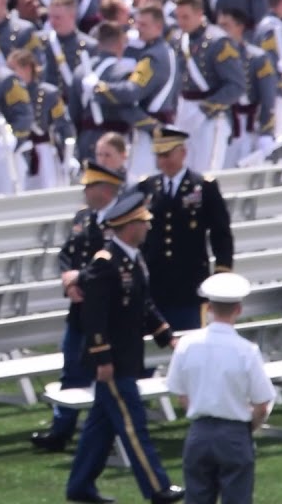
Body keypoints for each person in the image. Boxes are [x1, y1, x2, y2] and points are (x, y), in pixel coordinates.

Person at [64, 191, 183, 504]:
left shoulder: (133, 259)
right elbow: (94, 317)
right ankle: (157, 487)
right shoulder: (106, 264)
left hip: (127, 356)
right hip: (113, 361)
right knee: (133, 425)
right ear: (129, 226)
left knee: (99, 429)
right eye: (143, 223)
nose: (147, 228)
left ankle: (79, 487)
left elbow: (143, 305)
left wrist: (166, 335)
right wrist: (102, 358)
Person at [32, 162, 124, 452]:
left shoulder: (121, 221)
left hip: (108, 311)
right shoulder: (83, 218)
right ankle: (62, 429)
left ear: (107, 190)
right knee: (72, 368)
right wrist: (68, 281)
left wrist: (79, 277)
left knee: (106, 375)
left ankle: (106, 433)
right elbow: (67, 253)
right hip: (80, 310)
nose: (85, 191)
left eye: (91, 186)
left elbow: (114, 262)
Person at [166, 272, 276, 504]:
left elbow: (181, 395)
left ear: (208, 307)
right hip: (235, 433)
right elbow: (262, 404)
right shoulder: (246, 350)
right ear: (239, 309)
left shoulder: (186, 344)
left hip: (199, 432)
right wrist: (248, 427)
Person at [137, 126, 234, 331]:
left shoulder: (202, 186)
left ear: (182, 152)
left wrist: (221, 273)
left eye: (167, 154)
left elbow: (221, 233)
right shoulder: (147, 188)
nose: (163, 160)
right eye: (159, 155)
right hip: (155, 283)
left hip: (190, 284)